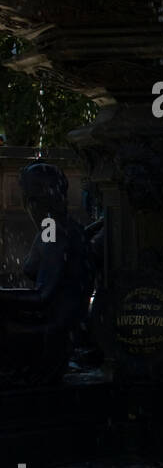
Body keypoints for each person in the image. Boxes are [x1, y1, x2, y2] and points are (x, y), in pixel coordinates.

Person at [0, 163, 92, 385]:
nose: (27, 205)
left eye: (29, 198)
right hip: (61, 332)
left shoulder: (55, 234)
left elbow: (43, 297)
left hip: (52, 339)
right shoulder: (61, 228)